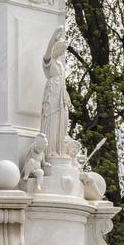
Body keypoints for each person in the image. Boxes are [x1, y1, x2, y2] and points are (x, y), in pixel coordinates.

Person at [40, 27, 71, 157]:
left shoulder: (61, 64)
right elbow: (48, 52)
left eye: (64, 50)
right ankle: (50, 150)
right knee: (52, 120)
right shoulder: (49, 60)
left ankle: (59, 149)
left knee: (62, 121)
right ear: (56, 48)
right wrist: (53, 38)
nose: (63, 52)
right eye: (62, 49)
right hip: (52, 94)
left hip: (61, 95)